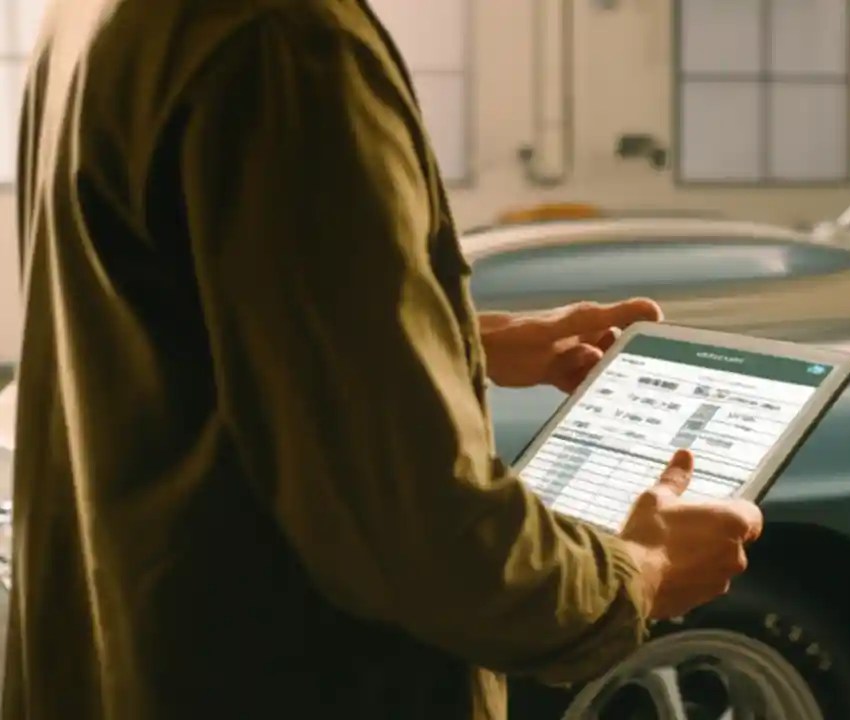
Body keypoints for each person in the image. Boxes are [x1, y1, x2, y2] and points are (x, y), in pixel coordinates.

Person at [4, 1, 763, 718]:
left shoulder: (107, 16)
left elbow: (185, 325)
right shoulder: (286, 42)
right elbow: (422, 532)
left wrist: (454, 342)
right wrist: (636, 572)